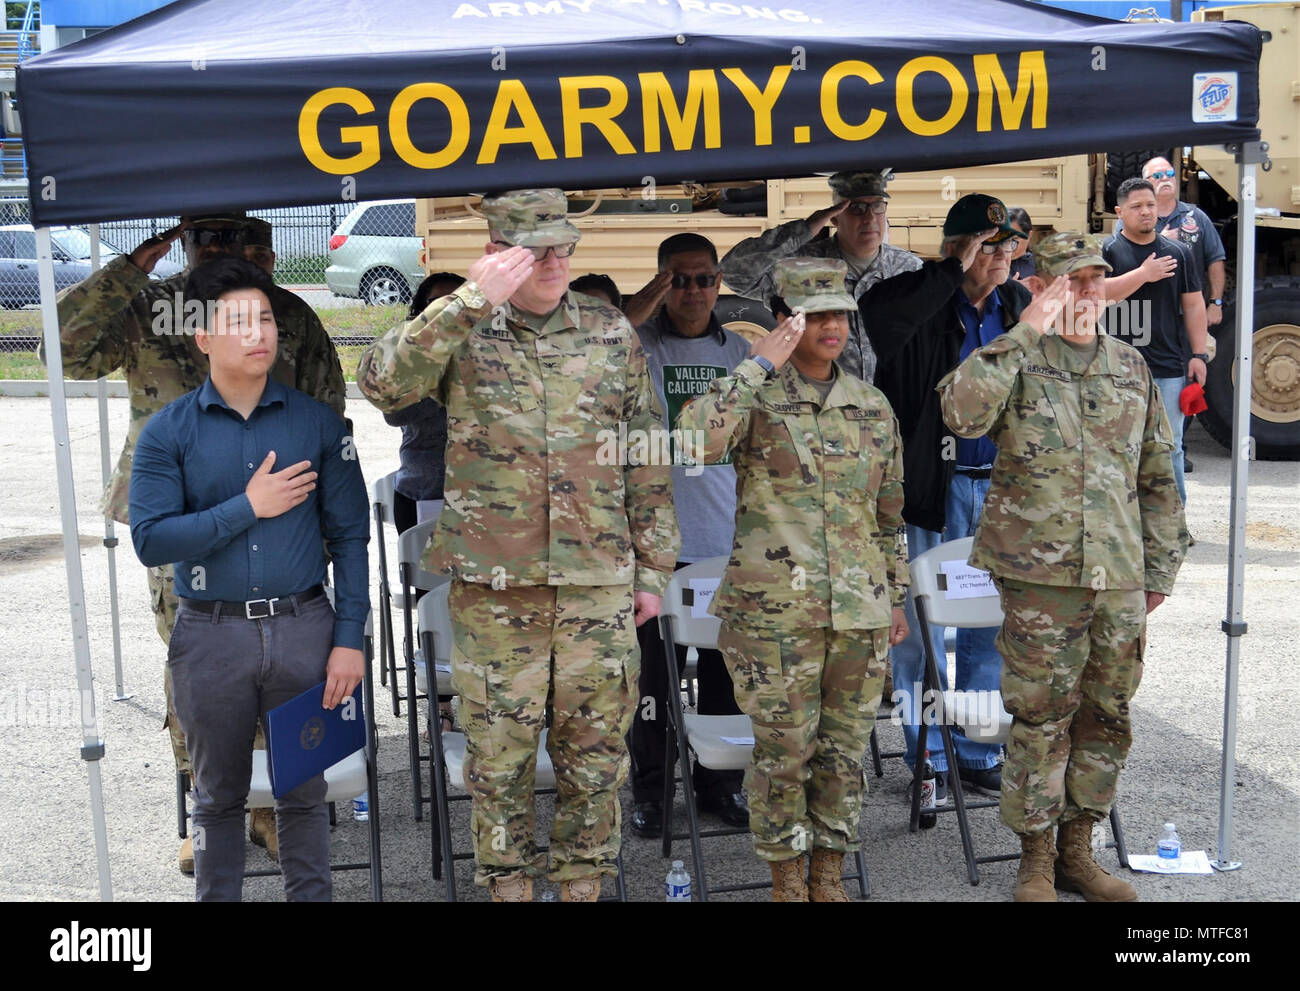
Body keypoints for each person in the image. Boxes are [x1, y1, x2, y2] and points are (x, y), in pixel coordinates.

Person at [356, 188, 678, 902]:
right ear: (501, 253)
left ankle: (583, 889)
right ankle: (507, 889)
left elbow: (647, 454)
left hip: (598, 586)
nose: (557, 260)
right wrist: (469, 299)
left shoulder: (607, 331)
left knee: (594, 761)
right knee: (498, 765)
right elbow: (381, 383)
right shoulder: (465, 326)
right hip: (497, 594)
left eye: (564, 246)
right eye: (538, 250)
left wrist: (653, 567)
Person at [49, 212, 347, 874]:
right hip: (178, 520)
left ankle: (272, 806)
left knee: (280, 661)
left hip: (281, 516)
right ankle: (206, 807)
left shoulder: (289, 317)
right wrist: (132, 266)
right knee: (197, 671)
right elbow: (59, 348)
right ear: (182, 247)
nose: (220, 250)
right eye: (204, 239)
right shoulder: (150, 306)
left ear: (264, 253)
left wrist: (327, 517)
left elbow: (331, 409)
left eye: (237, 240)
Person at [938, 232, 1188, 902]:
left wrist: (1160, 571)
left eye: (1092, 280)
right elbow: (960, 413)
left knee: (1107, 715)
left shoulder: (1130, 366)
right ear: (1039, 287)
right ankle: (1037, 859)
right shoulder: (1018, 359)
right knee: (1041, 717)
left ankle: (1080, 850)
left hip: (1118, 576)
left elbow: (1160, 475)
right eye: (1067, 282)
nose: (1082, 293)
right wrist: (1025, 329)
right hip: (1040, 580)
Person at [129, 258, 369, 901]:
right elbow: (151, 538)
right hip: (210, 638)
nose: (258, 333)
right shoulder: (168, 433)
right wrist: (248, 506)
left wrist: (351, 637)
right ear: (202, 337)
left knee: (304, 796)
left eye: (265, 318)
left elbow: (351, 537)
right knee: (215, 801)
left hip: (303, 630)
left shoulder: (316, 424)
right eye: (239, 322)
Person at [677, 258, 909, 902]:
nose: (833, 327)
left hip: (858, 610)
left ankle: (829, 878)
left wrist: (895, 597)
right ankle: (787, 882)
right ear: (786, 321)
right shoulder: (755, 395)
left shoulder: (869, 405)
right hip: (773, 614)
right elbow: (693, 442)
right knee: (783, 755)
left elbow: (888, 512)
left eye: (841, 314)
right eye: (817, 314)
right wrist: (756, 365)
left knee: (842, 753)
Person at [857, 193, 1027, 801]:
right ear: (955, 250)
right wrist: (952, 272)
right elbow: (882, 319)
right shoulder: (915, 301)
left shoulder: (1017, 306)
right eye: (987, 246)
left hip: (1000, 491)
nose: (1001, 257)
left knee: (989, 627)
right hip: (932, 488)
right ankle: (926, 752)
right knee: (920, 627)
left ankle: (979, 750)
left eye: (1008, 245)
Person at [625, 233, 751, 839]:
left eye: (705, 278)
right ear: (660, 282)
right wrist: (656, 290)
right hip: (656, 553)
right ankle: (650, 792)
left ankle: (720, 787)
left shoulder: (741, 353)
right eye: (680, 279)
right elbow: (610, 330)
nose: (694, 291)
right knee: (653, 685)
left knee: (726, 679)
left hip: (725, 545)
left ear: (720, 283)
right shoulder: (634, 346)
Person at [719, 170, 923, 384]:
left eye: (878, 206)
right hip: (820, 407)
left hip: (890, 409)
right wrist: (805, 229)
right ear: (835, 216)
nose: (869, 217)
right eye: (857, 208)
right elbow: (733, 273)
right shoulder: (801, 266)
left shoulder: (910, 270)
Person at [384, 272, 464, 735]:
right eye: (436, 305)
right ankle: (443, 700)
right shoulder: (406, 354)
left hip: (484, 503)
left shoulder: (491, 351)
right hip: (424, 494)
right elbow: (397, 411)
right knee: (434, 605)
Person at [1104, 177, 1208, 514]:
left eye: (1150, 205)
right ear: (1120, 212)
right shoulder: (1106, 252)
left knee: (1171, 447)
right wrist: (1144, 274)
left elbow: (1194, 305)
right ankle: (1124, 522)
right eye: (1136, 207)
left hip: (1167, 369)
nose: (1146, 212)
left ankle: (1173, 521)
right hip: (1115, 372)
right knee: (1119, 448)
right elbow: (1100, 295)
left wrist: (1198, 354)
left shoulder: (1178, 253)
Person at [1117, 157, 1227, 474]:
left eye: (1169, 173)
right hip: (1137, 336)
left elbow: (1214, 261)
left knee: (1181, 401)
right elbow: (1105, 290)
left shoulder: (1195, 219)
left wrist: (1214, 303)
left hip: (1182, 325)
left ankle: (1179, 452)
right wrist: (1143, 274)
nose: (1165, 179)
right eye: (1157, 175)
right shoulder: (1123, 234)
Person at [1007, 206, 1036, 283]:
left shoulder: (1042, 266)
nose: (1008, 246)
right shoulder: (989, 266)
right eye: (1003, 239)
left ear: (1029, 236)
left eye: (1015, 238)